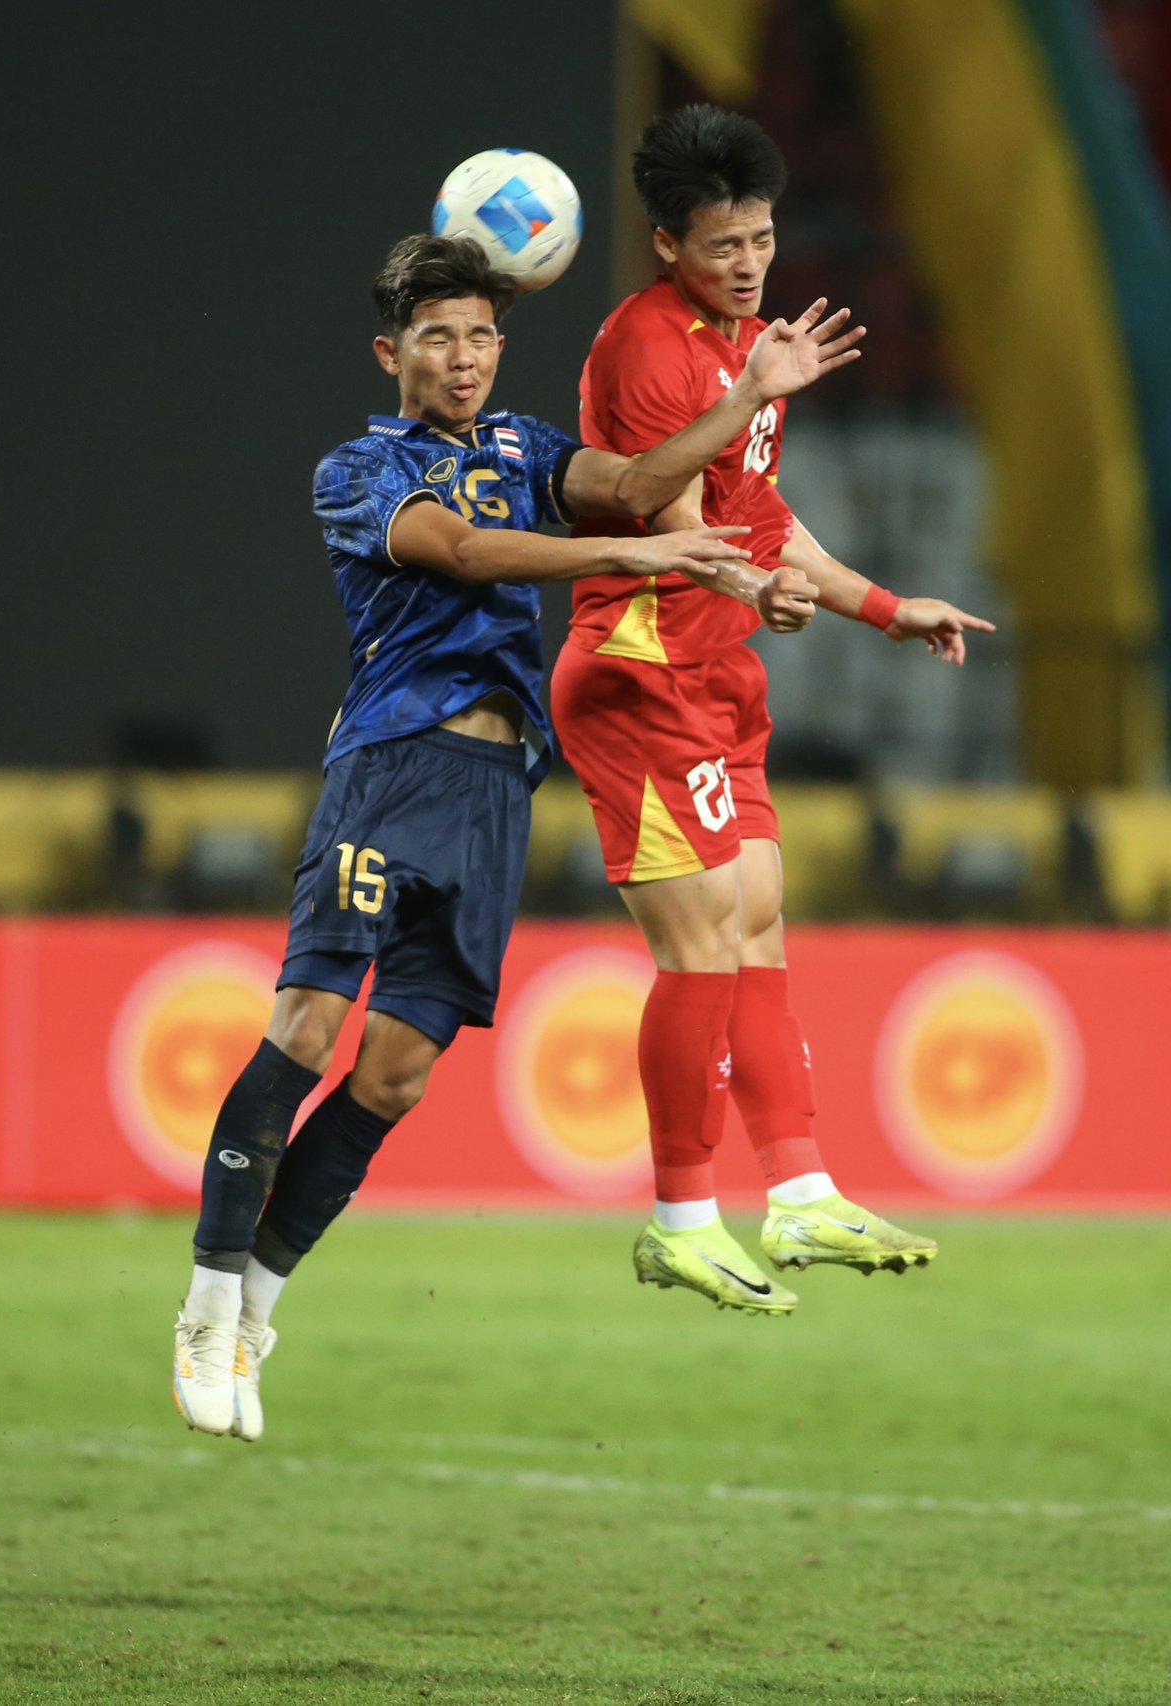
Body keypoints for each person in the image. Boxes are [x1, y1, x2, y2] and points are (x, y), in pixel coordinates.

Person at [171, 234, 859, 1438]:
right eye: (438, 336)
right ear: (389, 352)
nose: (463, 357)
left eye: (482, 335)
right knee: (309, 1026)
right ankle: (204, 1300)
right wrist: (628, 552)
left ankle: (258, 1311)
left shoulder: (527, 447)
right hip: (389, 767)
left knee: (394, 1074)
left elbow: (637, 483)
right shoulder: (359, 467)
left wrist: (746, 399)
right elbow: (463, 550)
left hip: (495, 793)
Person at [552, 107, 993, 1315]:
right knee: (698, 941)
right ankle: (680, 1219)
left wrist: (883, 604)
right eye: (722, 244)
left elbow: (759, 512)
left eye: (761, 236)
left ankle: (798, 1192)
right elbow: (665, 510)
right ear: (666, 244)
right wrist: (750, 575)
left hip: (717, 673)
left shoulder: (754, 348)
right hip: (641, 671)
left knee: (754, 918)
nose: (749, 261)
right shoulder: (647, 348)